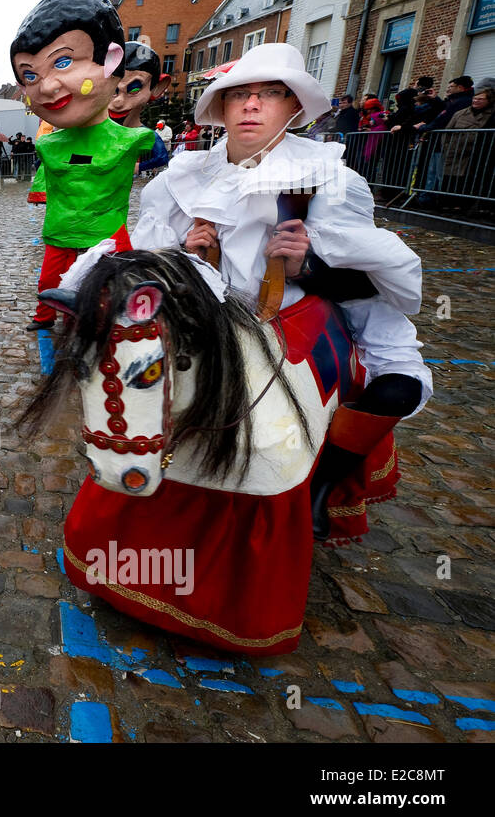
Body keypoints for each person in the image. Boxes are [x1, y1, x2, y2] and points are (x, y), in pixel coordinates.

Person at [131, 42, 431, 538]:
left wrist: (306, 270)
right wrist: (186, 256)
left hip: (294, 318)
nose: (252, 105)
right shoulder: (177, 181)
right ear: (221, 107)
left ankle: (319, 484)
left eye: (270, 93)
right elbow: (149, 270)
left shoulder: (332, 181)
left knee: (395, 385)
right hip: (199, 315)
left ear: (293, 107)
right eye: (239, 94)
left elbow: (372, 284)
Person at [11, 0, 153, 331]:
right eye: (30, 75)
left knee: (109, 297)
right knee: (50, 283)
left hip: (106, 237)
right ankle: (44, 317)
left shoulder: (132, 139)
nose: (45, 87)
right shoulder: (49, 144)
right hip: (60, 233)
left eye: (63, 62)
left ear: (112, 60)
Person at [109, 41, 172, 172]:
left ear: (156, 89)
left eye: (133, 90)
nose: (119, 102)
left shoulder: (145, 135)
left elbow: (162, 157)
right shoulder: (94, 129)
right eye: (112, 90)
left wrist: (138, 167)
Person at [438, 76, 495, 201]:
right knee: (449, 179)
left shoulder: (490, 115)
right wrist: (447, 147)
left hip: (473, 155)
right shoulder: (461, 113)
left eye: (480, 99)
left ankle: (461, 204)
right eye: (475, 98)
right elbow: (447, 131)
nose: (476, 101)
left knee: (466, 181)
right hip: (455, 152)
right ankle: (446, 203)